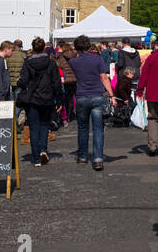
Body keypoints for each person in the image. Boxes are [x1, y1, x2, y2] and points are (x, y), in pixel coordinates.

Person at [68, 35, 112, 168]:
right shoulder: (97, 59)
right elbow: (104, 77)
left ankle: (82, 156)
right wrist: (111, 94)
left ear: (77, 47)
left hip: (82, 95)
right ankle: (98, 158)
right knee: (98, 129)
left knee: (83, 128)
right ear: (88, 46)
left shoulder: (73, 62)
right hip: (97, 95)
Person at [16, 37, 61, 165]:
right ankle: (43, 150)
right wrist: (59, 100)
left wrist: (20, 81)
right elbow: (56, 82)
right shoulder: (51, 63)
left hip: (32, 98)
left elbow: (23, 81)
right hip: (47, 97)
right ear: (43, 48)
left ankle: (36, 158)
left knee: (34, 127)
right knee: (44, 125)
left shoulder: (28, 62)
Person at [57, 46, 77, 123]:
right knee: (71, 98)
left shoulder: (60, 57)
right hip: (73, 79)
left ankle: (65, 117)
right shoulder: (74, 56)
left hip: (65, 80)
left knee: (64, 98)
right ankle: (70, 115)